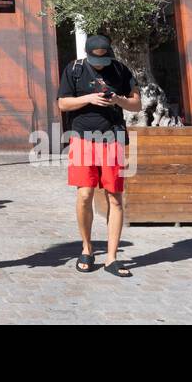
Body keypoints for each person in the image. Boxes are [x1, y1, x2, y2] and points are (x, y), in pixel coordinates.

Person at [56, 33, 141, 278]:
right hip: (83, 137)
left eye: (105, 59)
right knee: (84, 195)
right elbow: (62, 104)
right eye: (97, 60)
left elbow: (137, 104)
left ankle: (112, 257)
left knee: (115, 197)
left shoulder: (120, 69)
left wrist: (119, 100)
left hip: (113, 137)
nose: (101, 64)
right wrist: (88, 98)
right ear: (88, 54)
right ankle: (87, 248)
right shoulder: (74, 69)